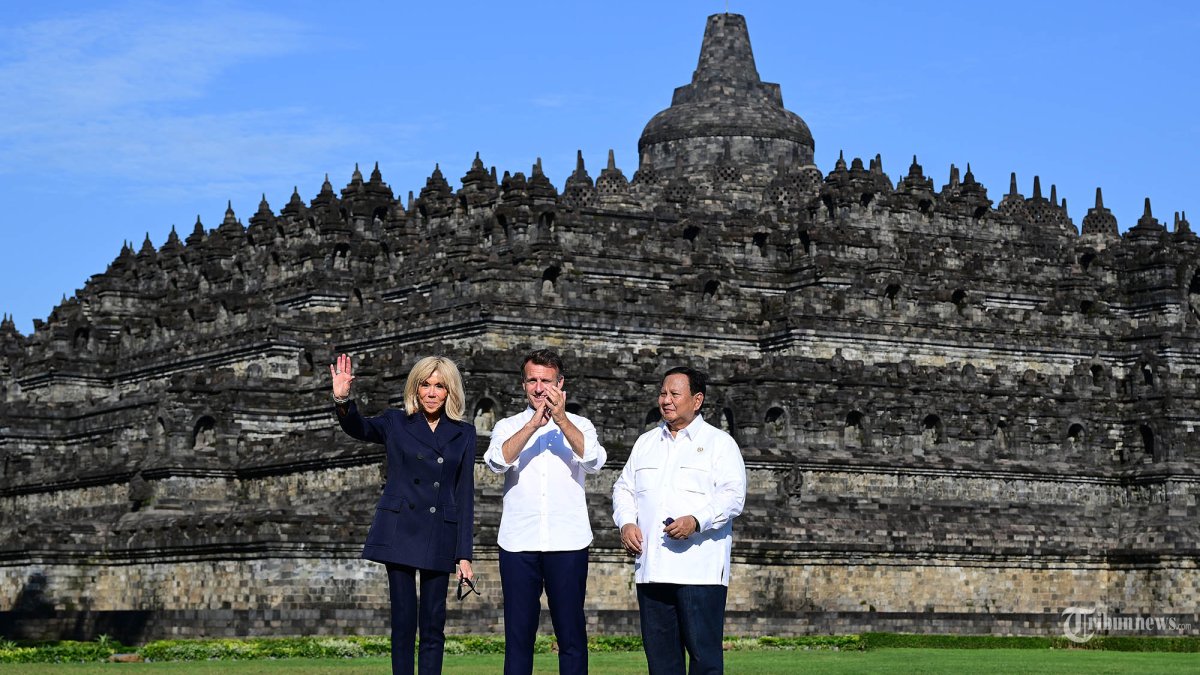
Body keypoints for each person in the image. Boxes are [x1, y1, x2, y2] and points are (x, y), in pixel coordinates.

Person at [331, 353, 476, 675]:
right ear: (415, 388)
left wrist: (464, 554)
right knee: (403, 621)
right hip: (400, 529)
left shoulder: (464, 433)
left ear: (450, 391)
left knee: (434, 624)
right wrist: (342, 400)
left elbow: (464, 494)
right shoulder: (395, 422)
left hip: (440, 531)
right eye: (425, 384)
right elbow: (359, 427)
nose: (431, 392)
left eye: (439, 386)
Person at [612, 366, 746, 675]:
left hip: (700, 571)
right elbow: (623, 488)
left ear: (697, 400)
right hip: (652, 568)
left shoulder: (719, 444)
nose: (666, 400)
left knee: (704, 660)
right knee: (661, 663)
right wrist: (627, 522)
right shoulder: (646, 443)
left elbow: (733, 496)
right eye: (662, 393)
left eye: (674, 394)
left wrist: (697, 521)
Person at [483, 349, 607, 675]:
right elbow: (497, 462)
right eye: (532, 381)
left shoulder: (581, 424)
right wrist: (532, 426)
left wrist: (561, 420)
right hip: (518, 543)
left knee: (571, 634)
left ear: (560, 383)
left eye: (546, 381)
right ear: (523, 384)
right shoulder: (508, 425)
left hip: (568, 542)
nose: (539, 388)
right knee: (518, 637)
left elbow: (594, 461)